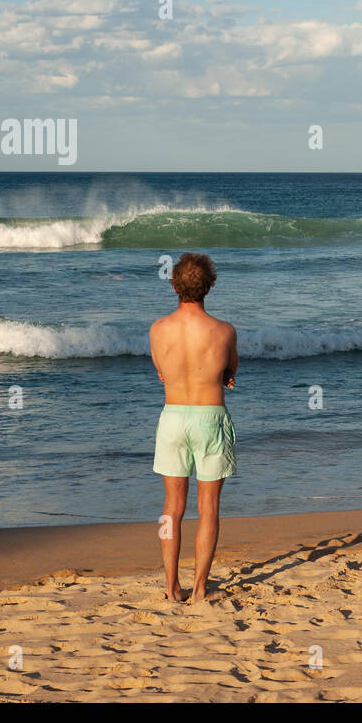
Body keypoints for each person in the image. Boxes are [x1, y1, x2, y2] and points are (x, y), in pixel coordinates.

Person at [149, 252, 238, 604]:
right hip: (210, 416)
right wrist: (223, 376)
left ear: (174, 285)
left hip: (173, 417)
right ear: (209, 286)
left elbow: (161, 372)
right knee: (209, 508)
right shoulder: (224, 330)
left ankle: (171, 587)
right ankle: (199, 588)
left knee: (171, 506)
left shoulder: (158, 329)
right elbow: (230, 371)